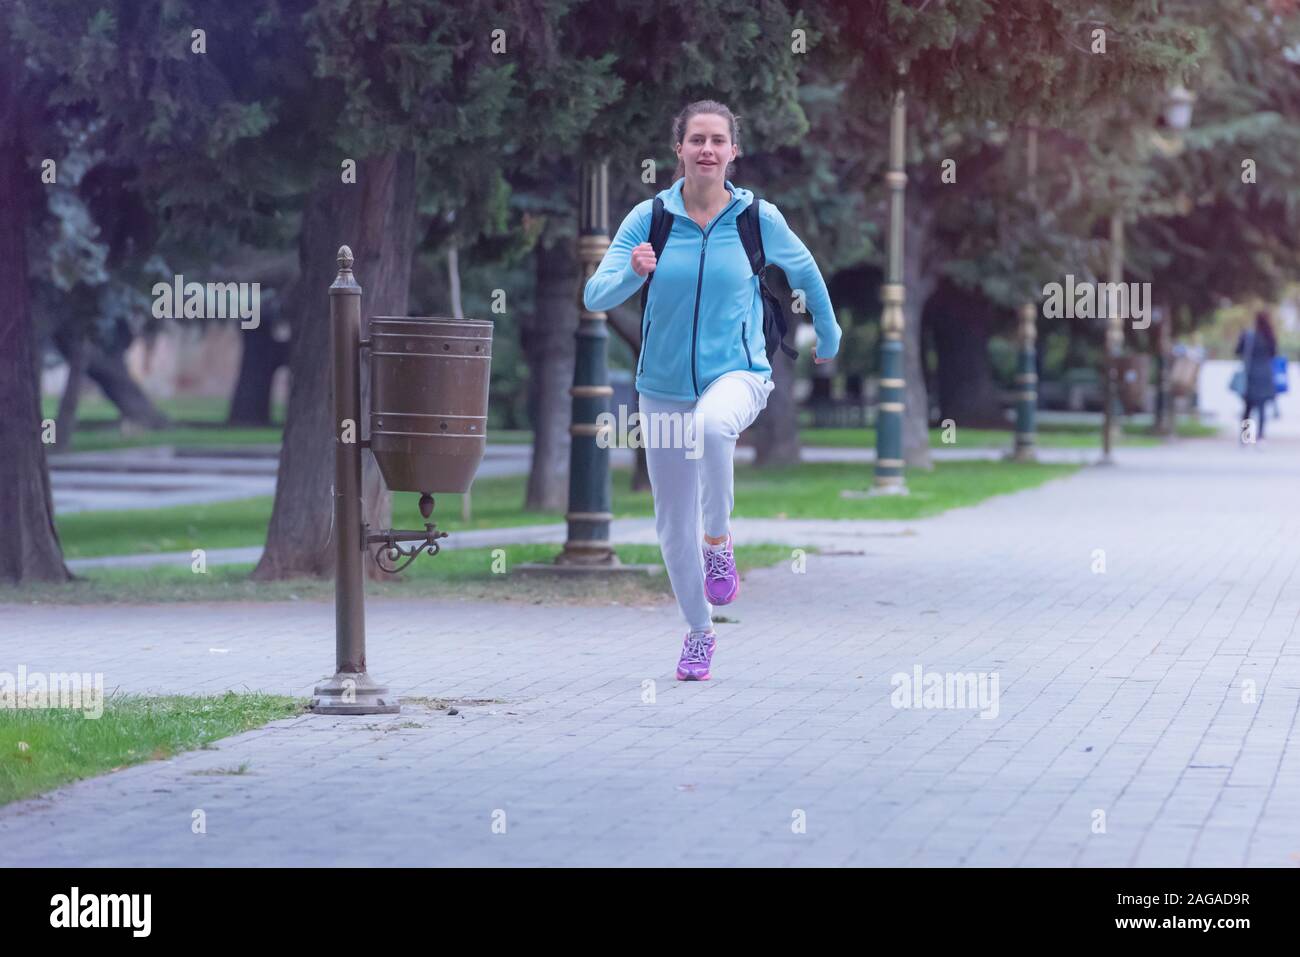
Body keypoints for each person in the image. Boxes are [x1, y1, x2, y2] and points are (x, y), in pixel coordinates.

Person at [583, 99, 841, 681]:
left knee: (712, 426)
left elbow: (805, 272)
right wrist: (632, 271)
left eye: (717, 140)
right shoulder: (650, 218)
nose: (706, 149)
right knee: (671, 524)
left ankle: (719, 542)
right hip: (663, 385)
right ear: (679, 149)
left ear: (733, 151)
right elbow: (595, 296)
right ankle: (699, 632)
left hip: (740, 372)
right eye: (696, 139)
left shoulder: (757, 218)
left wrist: (829, 331)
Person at [1234, 310, 1278, 443]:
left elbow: (1238, 351)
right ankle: (1260, 437)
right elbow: (1274, 354)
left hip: (1250, 374)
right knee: (1262, 408)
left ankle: (1247, 438)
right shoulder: (1269, 336)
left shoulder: (1248, 335)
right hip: (1265, 375)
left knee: (1248, 407)